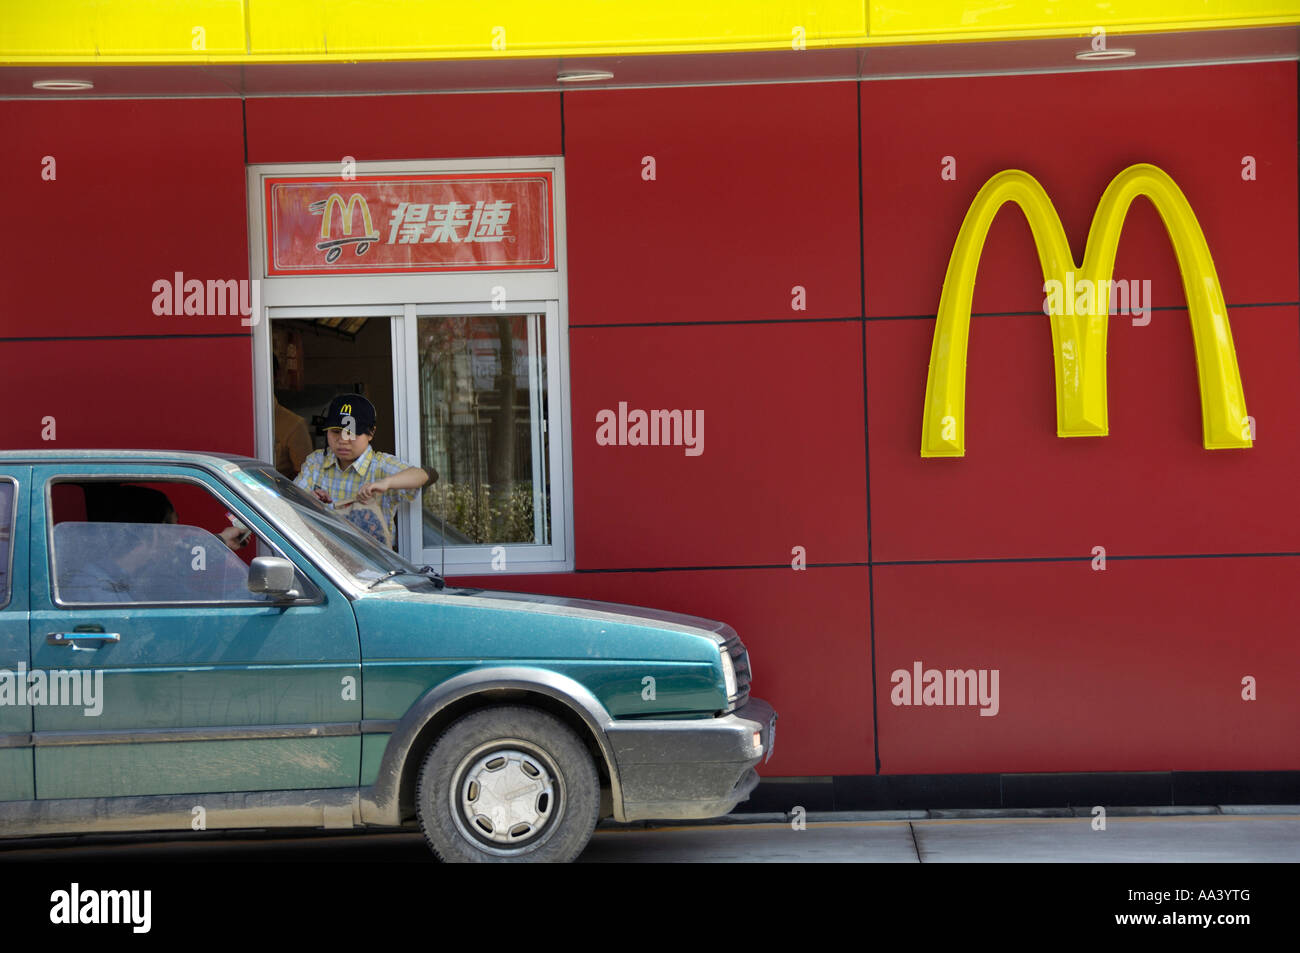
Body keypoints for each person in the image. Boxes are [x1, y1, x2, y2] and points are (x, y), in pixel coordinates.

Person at [293, 393, 432, 548]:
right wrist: (310, 500)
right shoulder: (316, 461)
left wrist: (386, 483)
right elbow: (290, 501)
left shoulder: (380, 465)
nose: (343, 440)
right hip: (324, 561)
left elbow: (424, 475)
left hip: (373, 563)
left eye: (351, 432)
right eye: (336, 432)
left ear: (371, 432)